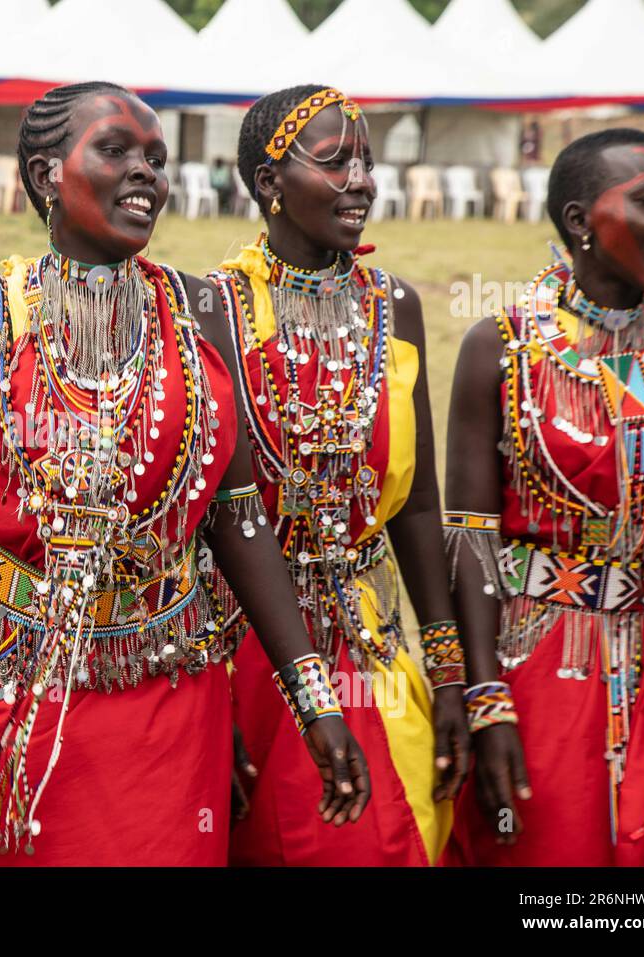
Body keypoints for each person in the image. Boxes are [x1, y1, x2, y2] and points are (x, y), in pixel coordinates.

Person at [0, 81, 372, 867]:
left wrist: (313, 701)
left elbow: (239, 520)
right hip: (15, 696)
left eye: (158, 159)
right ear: (44, 176)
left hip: (170, 696)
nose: (147, 172)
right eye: (116, 150)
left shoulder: (198, 313)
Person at [212, 85, 469, 867]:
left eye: (366, 160)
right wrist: (201, 706)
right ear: (268, 185)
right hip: (247, 644)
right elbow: (189, 522)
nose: (361, 179)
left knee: (399, 829)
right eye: (335, 161)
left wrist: (450, 667)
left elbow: (417, 504)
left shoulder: (395, 304)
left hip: (371, 636)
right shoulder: (211, 307)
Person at [444, 128, 644, 866]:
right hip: (543, 669)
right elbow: (469, 539)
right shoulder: (499, 348)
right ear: (578, 221)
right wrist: (486, 701)